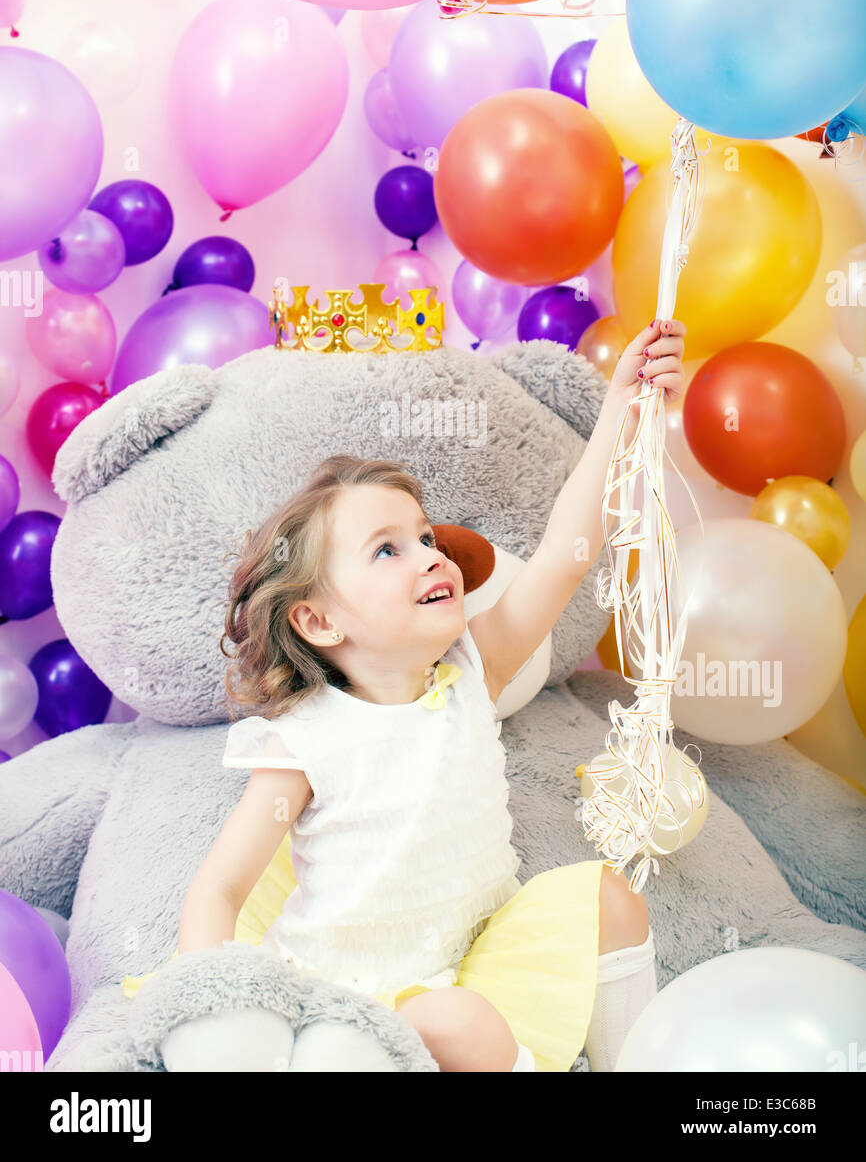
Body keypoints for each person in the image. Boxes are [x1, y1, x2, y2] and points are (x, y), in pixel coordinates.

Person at [178, 318, 687, 1072]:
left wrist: (623, 410)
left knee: (611, 899)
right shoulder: (307, 740)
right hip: (352, 1000)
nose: (430, 557)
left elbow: (563, 557)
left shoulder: (471, 671)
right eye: (387, 549)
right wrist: (219, 1016)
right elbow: (218, 890)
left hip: (473, 955)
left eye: (425, 538)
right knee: (458, 1024)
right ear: (316, 619)